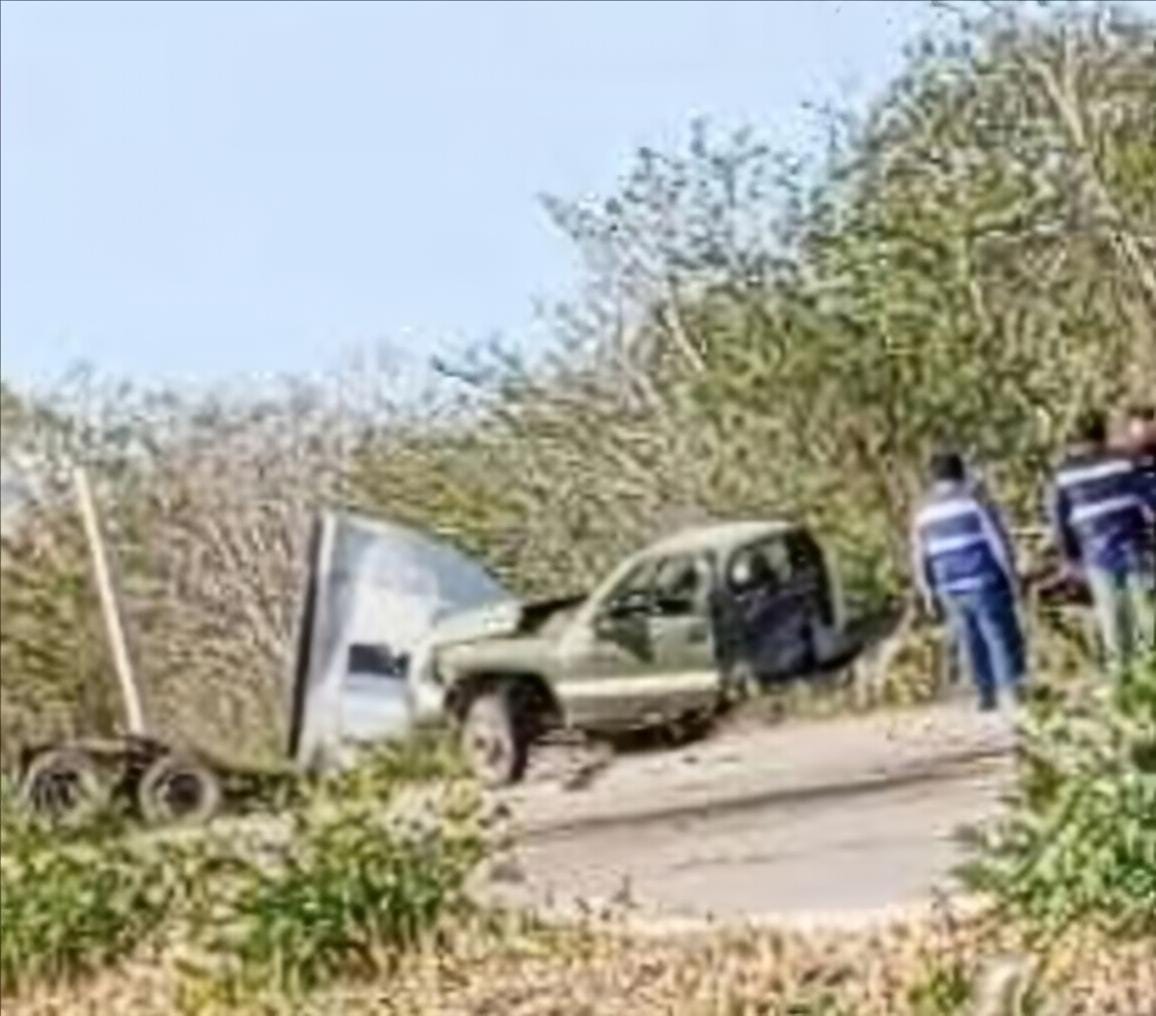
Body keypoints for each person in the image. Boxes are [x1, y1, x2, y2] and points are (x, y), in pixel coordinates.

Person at [912, 451, 1026, 711]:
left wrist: (926, 590)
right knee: (997, 634)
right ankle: (1009, 690)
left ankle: (982, 694)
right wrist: (1012, 574)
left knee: (967, 639)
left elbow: (920, 553)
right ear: (961, 473)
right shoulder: (974, 502)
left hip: (948, 586)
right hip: (982, 578)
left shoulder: (924, 511)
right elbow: (996, 540)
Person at [1049, 409, 1155, 667]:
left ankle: (1123, 684)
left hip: (1096, 555)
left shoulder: (1064, 474)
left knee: (1113, 625)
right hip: (1134, 547)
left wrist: (1070, 559)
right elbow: (1150, 502)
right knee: (1148, 621)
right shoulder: (1125, 462)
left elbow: (1060, 522)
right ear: (1103, 433)